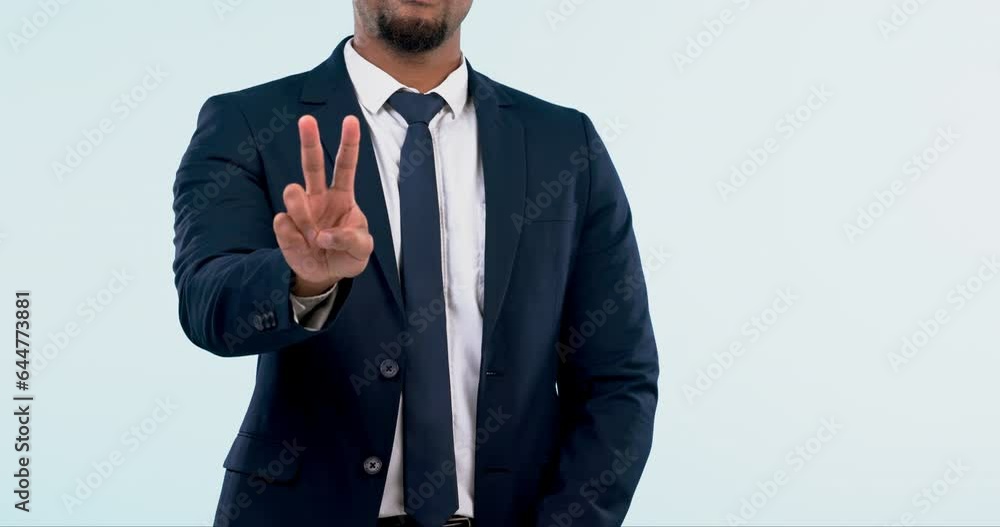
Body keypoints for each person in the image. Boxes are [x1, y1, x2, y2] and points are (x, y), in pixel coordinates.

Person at [172, 1, 658, 525]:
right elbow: (208, 306)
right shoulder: (247, 122)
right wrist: (305, 280)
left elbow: (617, 376)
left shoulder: (564, 143)